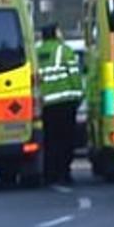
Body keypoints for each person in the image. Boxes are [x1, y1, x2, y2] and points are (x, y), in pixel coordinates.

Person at [35, 23, 83, 183]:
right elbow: (74, 76)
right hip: (66, 103)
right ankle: (64, 173)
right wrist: (79, 96)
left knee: (49, 140)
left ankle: (50, 174)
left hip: (46, 105)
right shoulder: (64, 50)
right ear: (56, 33)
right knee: (66, 140)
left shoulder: (36, 53)